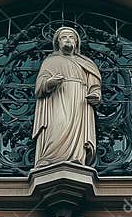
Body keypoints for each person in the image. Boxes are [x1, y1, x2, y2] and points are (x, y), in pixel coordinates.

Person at [33, 27, 102, 168]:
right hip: (57, 99)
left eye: (71, 37)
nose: (68, 40)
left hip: (79, 101)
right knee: (58, 126)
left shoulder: (86, 62)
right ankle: (50, 158)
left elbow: (94, 84)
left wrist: (95, 94)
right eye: (64, 37)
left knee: (77, 131)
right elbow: (39, 87)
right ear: (58, 42)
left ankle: (76, 158)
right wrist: (49, 82)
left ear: (76, 42)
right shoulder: (50, 61)